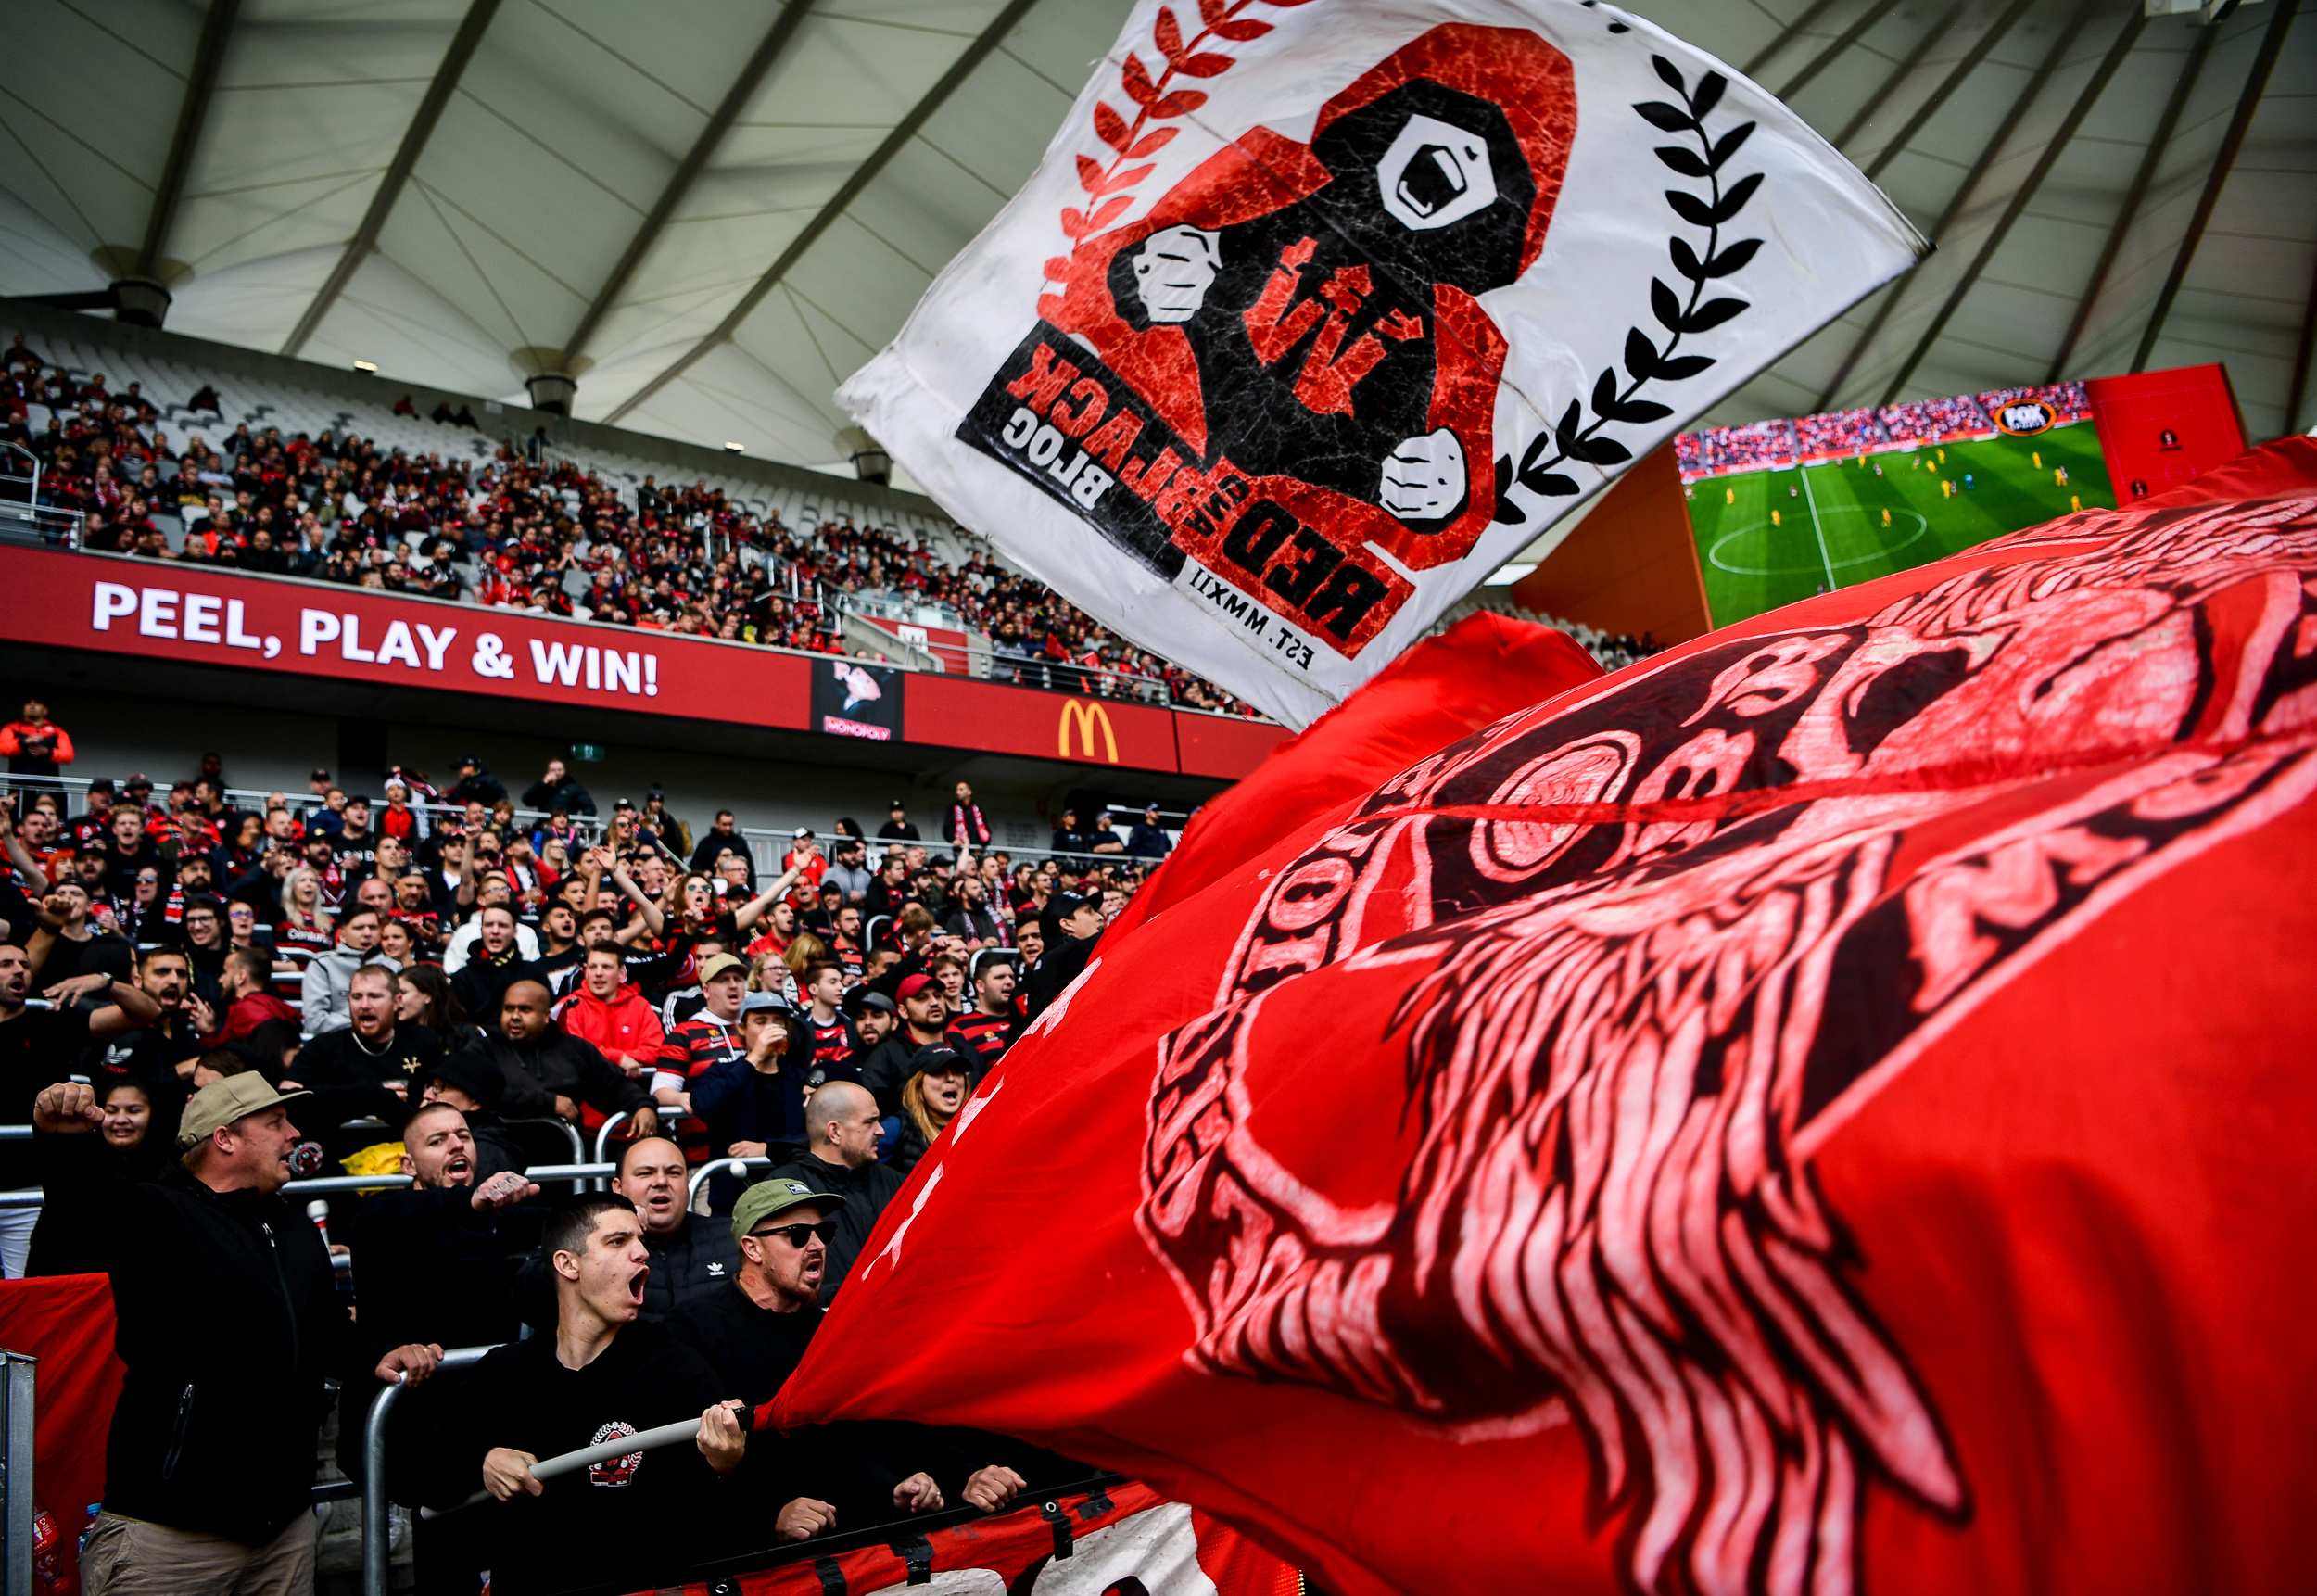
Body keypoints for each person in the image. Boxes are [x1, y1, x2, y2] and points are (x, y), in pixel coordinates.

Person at [82, 1074, 441, 1595]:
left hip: (283, 1531)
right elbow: (76, 1218)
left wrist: (380, 1354)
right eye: (275, 1123)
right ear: (224, 1138)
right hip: (172, 1536)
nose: (294, 1134)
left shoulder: (292, 1226)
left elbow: (326, 1333)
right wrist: (63, 1141)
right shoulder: (158, 1213)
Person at [435, 1194, 744, 1596]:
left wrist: (725, 1463)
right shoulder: (505, 1372)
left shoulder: (675, 1366)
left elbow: (717, 1513)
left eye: (640, 1239)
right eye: (618, 1242)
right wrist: (482, 1460)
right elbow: (422, 1473)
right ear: (567, 1264)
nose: (641, 1252)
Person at [1, 940, 159, 1276]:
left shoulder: (51, 1023)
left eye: (25, 964)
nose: (19, 970)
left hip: (27, 1190)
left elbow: (146, 1012)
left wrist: (105, 981)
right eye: (6, 964)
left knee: (26, 1297)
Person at [453, 980, 655, 1130]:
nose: (515, 1016)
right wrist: (548, 1102)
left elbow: (614, 1085)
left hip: (565, 1161)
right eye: (509, 1009)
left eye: (525, 1010)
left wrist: (642, 1105)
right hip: (500, 1157)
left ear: (545, 1016)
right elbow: (474, 1092)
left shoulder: (575, 1049)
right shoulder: (484, 1049)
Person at [25, 1077, 175, 1277]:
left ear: (153, 1114)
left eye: (134, 1110)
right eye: (111, 1110)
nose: (121, 1119)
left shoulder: (171, 1170)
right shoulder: (81, 1158)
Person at [766, 1082, 902, 1300]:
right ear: (835, 1132)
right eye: (869, 1122)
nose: (881, 1130)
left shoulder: (893, 1181)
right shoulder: (784, 1190)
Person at [607, 1135, 740, 1316]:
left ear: (687, 1185)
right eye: (645, 1173)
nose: (661, 1181)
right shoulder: (596, 1247)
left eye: (674, 1173)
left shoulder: (733, 1237)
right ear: (618, 1188)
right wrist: (620, 1234)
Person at [555, 939, 665, 1084]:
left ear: (621, 973)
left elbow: (656, 1052)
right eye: (593, 967)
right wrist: (618, 1058)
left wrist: (608, 1056)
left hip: (633, 1092)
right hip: (583, 1094)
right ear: (586, 972)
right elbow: (574, 1053)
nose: (598, 973)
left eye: (606, 967)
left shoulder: (640, 1006)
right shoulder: (569, 1006)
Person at [299, 904, 399, 1034]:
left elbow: (400, 1015)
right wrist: (368, 1022)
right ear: (342, 934)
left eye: (373, 928)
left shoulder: (394, 966)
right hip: (335, 1044)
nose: (367, 933)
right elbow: (315, 1022)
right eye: (359, 928)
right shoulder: (322, 964)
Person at [860, 972, 948, 1117]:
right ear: (903, 1011)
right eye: (921, 998)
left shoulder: (962, 1047)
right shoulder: (886, 1055)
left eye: (938, 996)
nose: (934, 1002)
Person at [891, 1045, 969, 1176]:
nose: (950, 1078)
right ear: (918, 1085)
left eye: (957, 1070)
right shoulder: (896, 1127)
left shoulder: (981, 1124)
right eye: (938, 1071)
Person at [1024, 891, 1104, 1020]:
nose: (1099, 917)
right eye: (1089, 911)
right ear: (1067, 924)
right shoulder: (1067, 955)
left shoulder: (1049, 962)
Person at [947, 957, 1018, 1082]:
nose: (1009, 982)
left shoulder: (1025, 1020)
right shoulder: (960, 1027)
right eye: (1000, 977)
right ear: (980, 986)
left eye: (1012, 977)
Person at [1, 697, 74, 792]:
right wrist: (24, 742)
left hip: (49, 788)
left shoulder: (57, 731)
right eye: (28, 703)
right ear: (23, 709)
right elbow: (3, 749)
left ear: (45, 710)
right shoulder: (11, 728)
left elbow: (68, 756)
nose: (32, 705)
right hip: (20, 787)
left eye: (37, 703)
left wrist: (48, 752)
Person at [519, 757, 596, 817]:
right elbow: (527, 800)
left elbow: (590, 808)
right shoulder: (542, 788)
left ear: (564, 771)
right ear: (548, 772)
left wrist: (581, 823)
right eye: (553, 770)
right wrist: (543, 782)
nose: (556, 772)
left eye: (559, 770)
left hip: (567, 828)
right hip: (544, 826)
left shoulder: (574, 787)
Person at [943, 781, 992, 852]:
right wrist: (953, 840)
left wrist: (984, 844)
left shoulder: (978, 809)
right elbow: (947, 828)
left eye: (961, 789)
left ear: (969, 792)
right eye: (957, 790)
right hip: (960, 849)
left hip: (977, 849)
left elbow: (986, 829)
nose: (957, 792)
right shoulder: (952, 808)